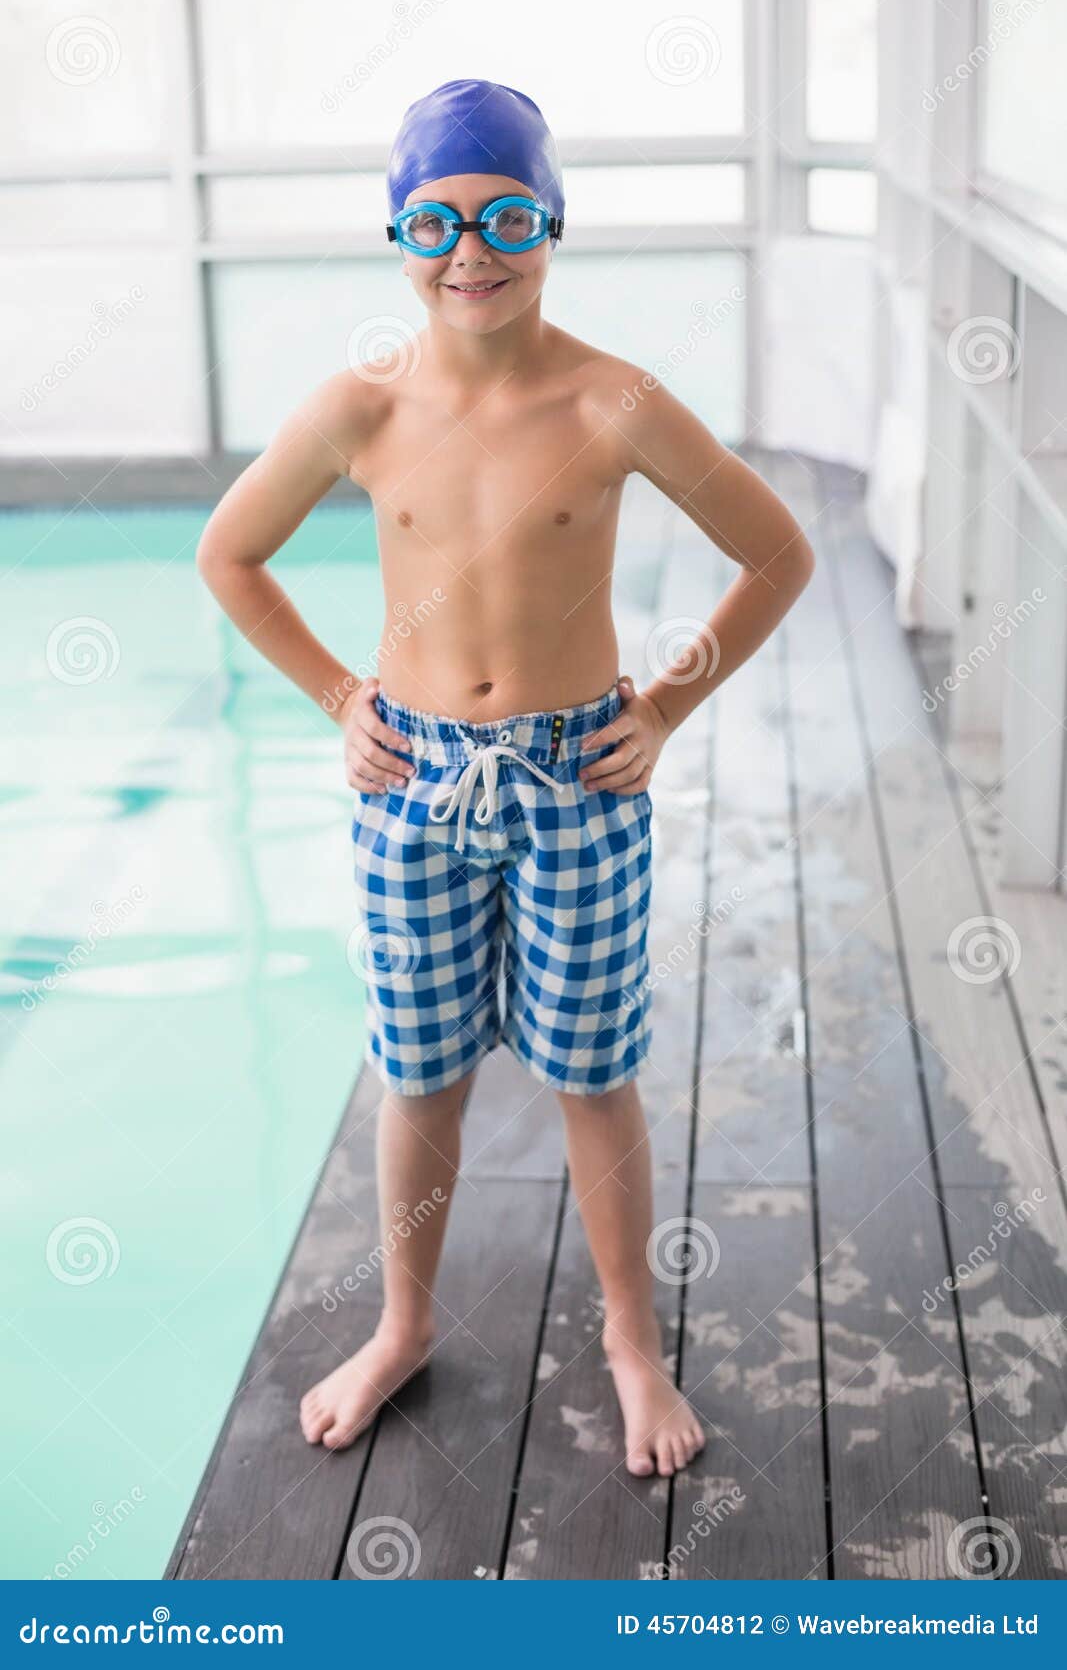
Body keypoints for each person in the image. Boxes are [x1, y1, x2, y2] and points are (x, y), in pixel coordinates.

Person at [196, 78, 815, 1479]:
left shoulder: (615, 401)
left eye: (507, 216)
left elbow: (779, 553)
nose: (472, 251)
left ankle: (632, 1341)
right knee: (419, 1077)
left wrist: (667, 702)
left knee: (595, 1074)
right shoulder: (360, 407)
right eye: (439, 221)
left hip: (576, 779)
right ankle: (405, 1320)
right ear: (399, 236)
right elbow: (229, 554)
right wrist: (341, 694)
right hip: (410, 784)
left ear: (554, 225)